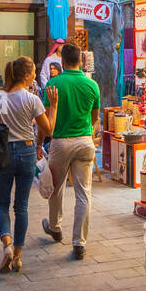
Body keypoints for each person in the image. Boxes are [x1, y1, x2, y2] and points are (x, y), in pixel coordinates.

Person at [0, 57, 52, 273]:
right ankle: (18, 256)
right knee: (21, 206)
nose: (35, 75)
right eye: (34, 72)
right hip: (26, 151)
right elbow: (48, 128)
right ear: (26, 76)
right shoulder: (31, 99)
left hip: (2, 153)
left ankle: (6, 245)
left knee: (1, 204)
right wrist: (55, 105)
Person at [42, 42, 101, 260]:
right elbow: (94, 117)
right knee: (83, 192)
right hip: (85, 141)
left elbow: (48, 118)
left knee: (57, 188)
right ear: (81, 61)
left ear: (62, 61)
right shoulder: (91, 85)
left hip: (60, 142)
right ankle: (79, 243)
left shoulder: (54, 83)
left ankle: (55, 227)